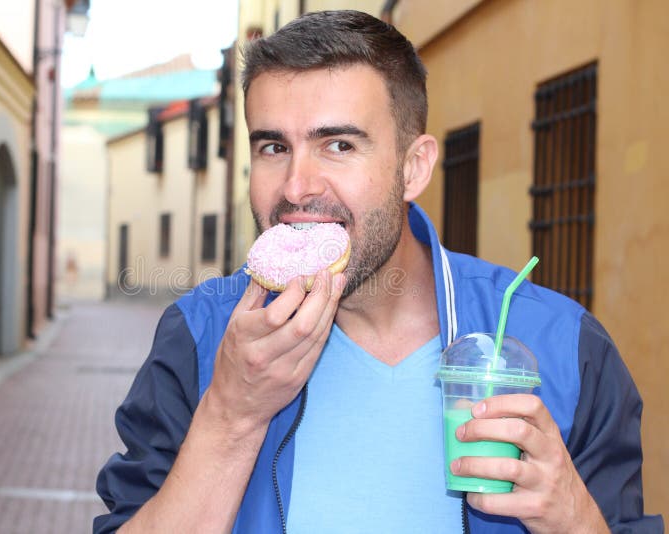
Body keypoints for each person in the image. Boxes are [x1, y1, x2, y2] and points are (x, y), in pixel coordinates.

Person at [94, 10, 663, 534]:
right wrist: (230, 418)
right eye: (272, 147)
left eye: (338, 145)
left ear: (413, 168)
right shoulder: (198, 338)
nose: (296, 187)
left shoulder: (563, 347)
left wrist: (575, 520)